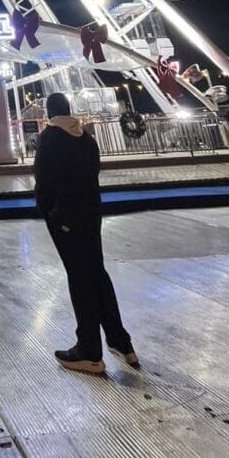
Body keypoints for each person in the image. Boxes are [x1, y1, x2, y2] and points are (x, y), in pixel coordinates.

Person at [34, 92, 138, 375]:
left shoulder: (50, 139)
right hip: (92, 215)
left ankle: (89, 350)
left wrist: (50, 213)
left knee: (79, 278)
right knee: (97, 273)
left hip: (66, 220)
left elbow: (42, 181)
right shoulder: (87, 139)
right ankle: (121, 341)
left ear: (49, 112)